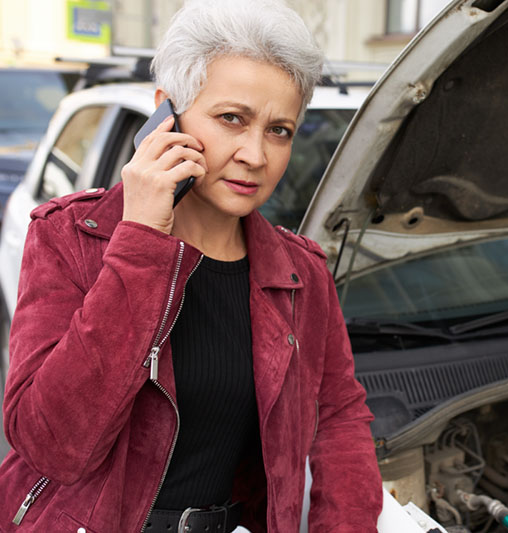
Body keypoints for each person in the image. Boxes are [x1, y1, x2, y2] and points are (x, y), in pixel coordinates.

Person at [0, 0, 383, 531]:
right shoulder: (71, 237)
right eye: (232, 118)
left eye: (280, 130)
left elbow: (339, 419)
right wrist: (141, 244)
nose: (256, 154)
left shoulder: (301, 274)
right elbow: (53, 445)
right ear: (166, 114)